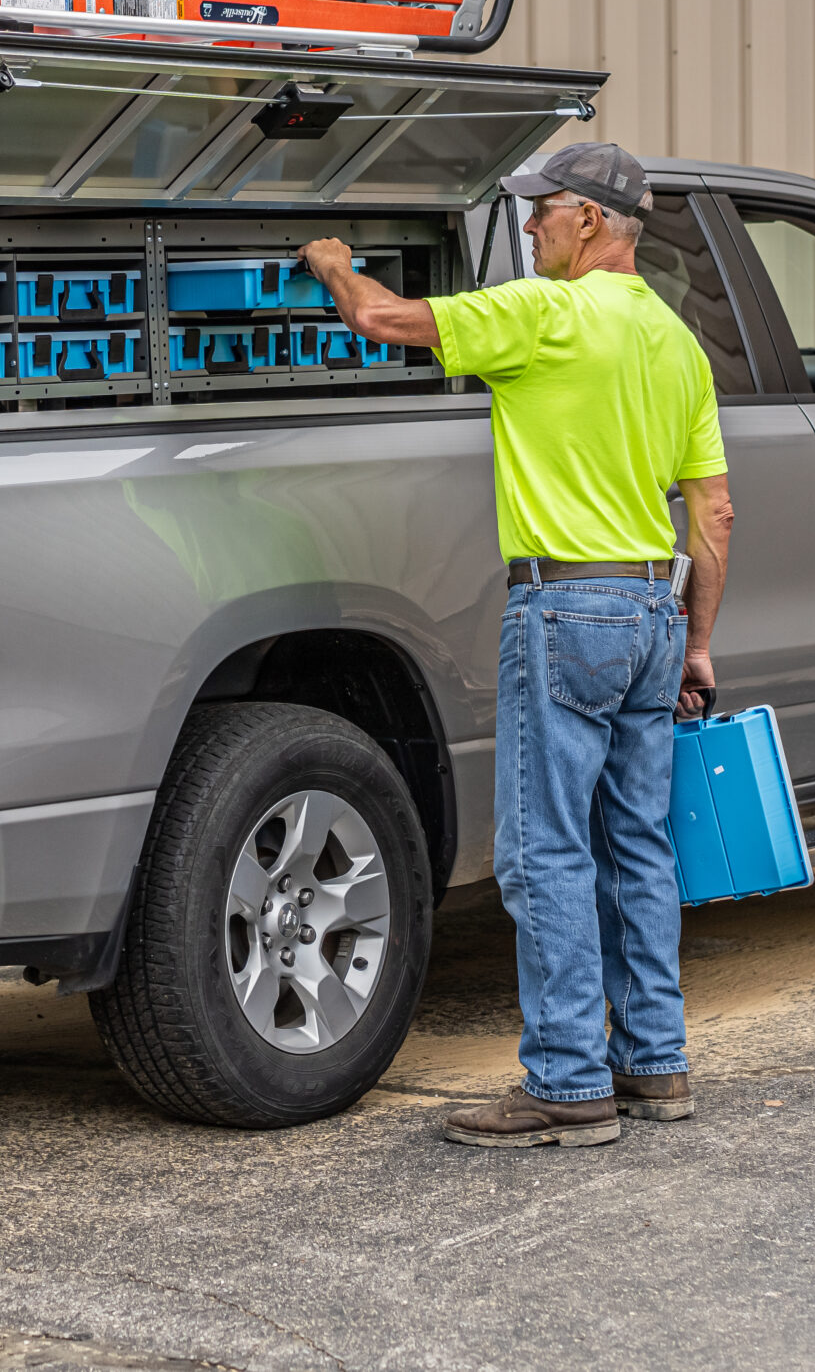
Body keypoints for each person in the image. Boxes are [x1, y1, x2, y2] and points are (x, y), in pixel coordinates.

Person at [297, 141, 733, 1150]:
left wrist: (332, 261)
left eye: (543, 211)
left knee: (545, 854)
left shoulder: (543, 314)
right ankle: (653, 1064)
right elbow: (712, 513)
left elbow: (381, 319)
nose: (529, 227)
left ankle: (568, 1084)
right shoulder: (677, 342)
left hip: (566, 611)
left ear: (590, 220)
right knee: (638, 848)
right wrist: (697, 646)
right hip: (653, 611)